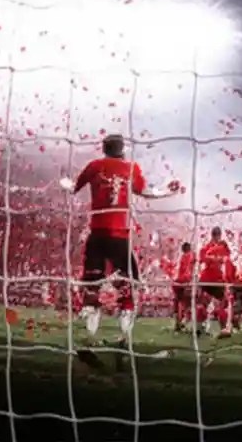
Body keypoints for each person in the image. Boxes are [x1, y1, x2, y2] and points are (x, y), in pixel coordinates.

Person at [61, 134, 179, 340]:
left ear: (104, 149)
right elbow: (146, 192)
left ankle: (89, 333)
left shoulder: (94, 166)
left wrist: (63, 182)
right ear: (122, 149)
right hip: (119, 235)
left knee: (92, 283)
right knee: (127, 283)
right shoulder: (131, 168)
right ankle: (125, 329)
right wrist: (167, 192)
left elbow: (72, 188)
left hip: (97, 233)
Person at [196, 226, 235, 338]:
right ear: (219, 235)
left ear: (211, 235)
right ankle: (223, 329)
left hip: (205, 279)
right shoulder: (223, 248)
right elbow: (228, 257)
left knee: (203, 303)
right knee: (221, 303)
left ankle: (199, 328)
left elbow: (201, 260)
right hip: (217, 279)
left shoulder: (205, 248)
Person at [172, 242, 194, 333]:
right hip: (185, 282)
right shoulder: (191, 256)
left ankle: (179, 322)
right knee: (187, 303)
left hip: (178, 283)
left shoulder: (182, 258)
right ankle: (184, 321)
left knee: (178, 301)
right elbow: (188, 272)